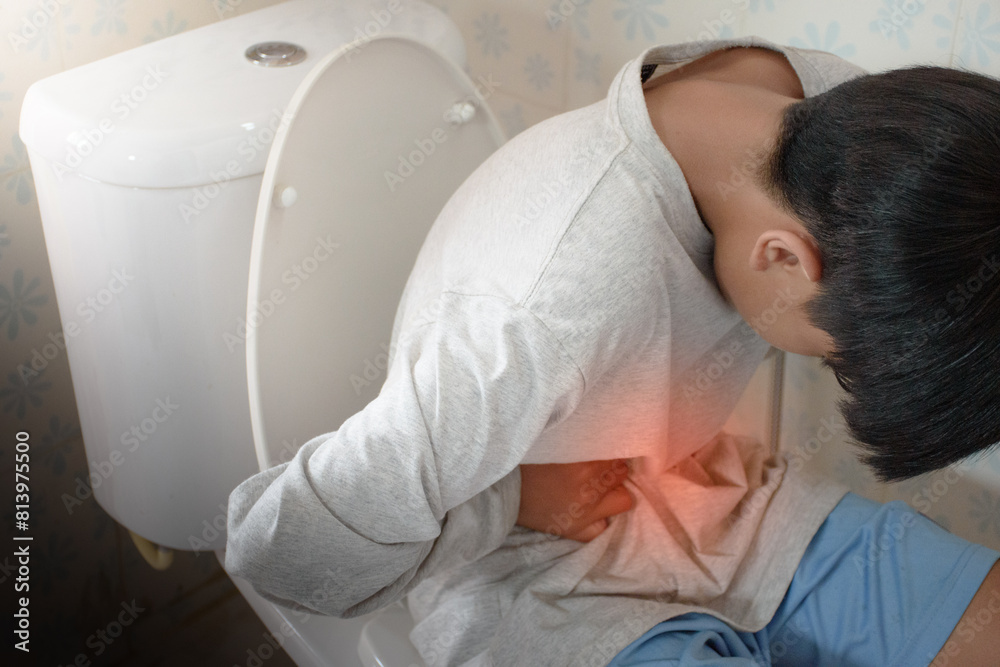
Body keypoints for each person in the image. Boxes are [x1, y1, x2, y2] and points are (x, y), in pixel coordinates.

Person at [225, 35, 1000, 666]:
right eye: (834, 356)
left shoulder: (843, 118)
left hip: (711, 494)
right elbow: (284, 548)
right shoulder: (535, 314)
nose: (826, 362)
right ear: (782, 257)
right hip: (527, 572)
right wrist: (514, 499)